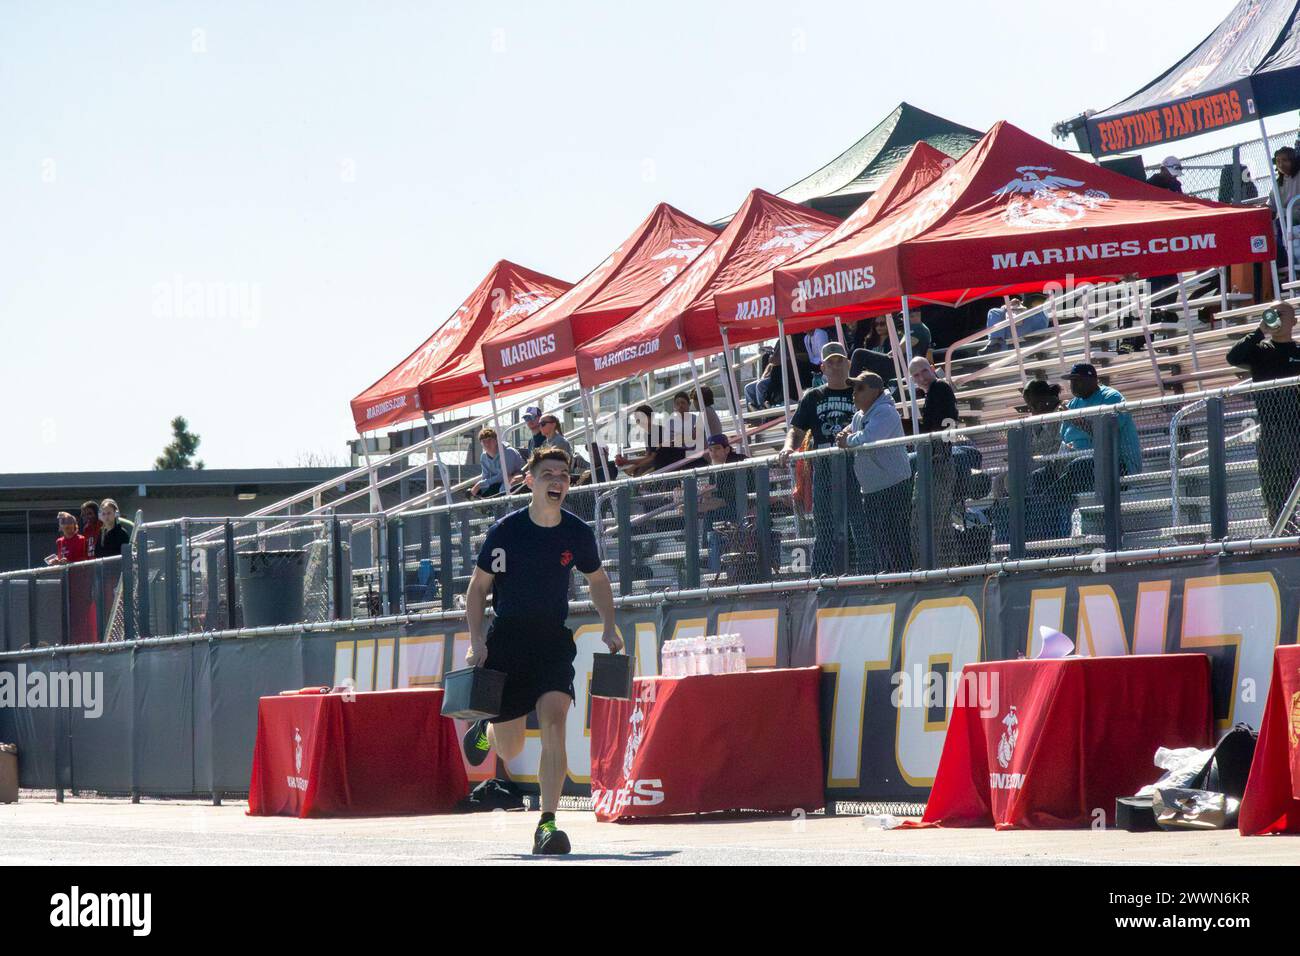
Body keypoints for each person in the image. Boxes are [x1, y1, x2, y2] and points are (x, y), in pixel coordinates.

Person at [461, 448, 621, 856]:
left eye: (564, 474)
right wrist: (477, 640)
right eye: (548, 473)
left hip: (552, 642)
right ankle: (486, 730)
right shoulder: (505, 532)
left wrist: (608, 625)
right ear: (528, 481)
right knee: (511, 747)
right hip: (508, 642)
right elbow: (477, 590)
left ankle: (547, 824)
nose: (557, 480)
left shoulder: (577, 532)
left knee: (555, 721)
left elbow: (598, 579)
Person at [775, 342, 870, 574]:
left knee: (860, 521)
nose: (836, 366)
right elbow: (796, 430)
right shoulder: (813, 396)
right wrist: (788, 448)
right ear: (822, 367)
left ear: (848, 364)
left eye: (840, 361)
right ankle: (822, 577)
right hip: (825, 466)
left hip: (856, 463)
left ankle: (868, 573)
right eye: (831, 362)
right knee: (825, 523)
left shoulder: (862, 390)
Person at [1227, 302, 1300, 530]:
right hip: (1273, 433)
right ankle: (1282, 532)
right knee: (1275, 489)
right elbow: (1233, 357)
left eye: (1281, 314)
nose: (1276, 318)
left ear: (1294, 321)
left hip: (1298, 429)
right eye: (1272, 314)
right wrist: (1260, 330)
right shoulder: (1260, 350)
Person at [838, 372, 913, 573]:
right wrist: (845, 436)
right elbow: (850, 434)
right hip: (871, 489)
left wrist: (848, 440)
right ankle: (888, 578)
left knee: (896, 536)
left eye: (860, 388)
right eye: (854, 389)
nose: (854, 393)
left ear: (876, 391)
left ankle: (904, 577)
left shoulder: (886, 412)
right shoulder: (858, 416)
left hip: (894, 486)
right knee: (879, 538)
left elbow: (870, 438)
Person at [907, 356, 961, 564]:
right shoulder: (935, 392)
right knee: (941, 524)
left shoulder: (940, 388)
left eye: (924, 372)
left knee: (928, 523)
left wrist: (943, 446)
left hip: (939, 462)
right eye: (916, 375)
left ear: (932, 369)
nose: (922, 378)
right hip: (939, 460)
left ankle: (928, 566)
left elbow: (950, 421)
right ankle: (947, 567)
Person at [1059, 363, 1142, 476]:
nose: (1073, 385)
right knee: (1044, 474)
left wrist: (1074, 418)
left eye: (1078, 380)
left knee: (1078, 465)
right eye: (1072, 381)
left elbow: (1106, 433)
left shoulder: (1111, 397)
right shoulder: (1074, 404)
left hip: (1117, 464)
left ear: (1093, 380)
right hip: (1079, 464)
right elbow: (1064, 438)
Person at [980, 296, 1050, 354]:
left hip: (1035, 319)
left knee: (994, 312)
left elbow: (1032, 302)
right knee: (1000, 320)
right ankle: (997, 344)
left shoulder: (1033, 286)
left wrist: (1015, 305)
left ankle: (996, 344)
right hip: (1036, 321)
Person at [1268, 147, 1299, 276]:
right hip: (1284, 217)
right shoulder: (1278, 183)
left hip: (1296, 214)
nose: (1281, 164)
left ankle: (1285, 261)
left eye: (1285, 160)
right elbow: (1272, 206)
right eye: (1278, 161)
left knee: (1281, 221)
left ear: (1293, 160)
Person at [468, 427, 523, 499]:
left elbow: (504, 476)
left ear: (496, 441)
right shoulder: (483, 457)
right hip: (499, 481)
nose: (487, 444)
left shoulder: (508, 452)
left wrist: (480, 484)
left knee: (504, 488)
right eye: (484, 441)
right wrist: (479, 488)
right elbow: (486, 476)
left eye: (490, 440)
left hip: (516, 478)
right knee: (480, 493)